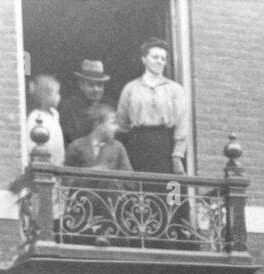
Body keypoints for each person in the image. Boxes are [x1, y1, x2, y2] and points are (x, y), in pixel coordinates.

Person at [116, 38, 189, 175]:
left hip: (165, 147)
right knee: (139, 191)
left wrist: (177, 155)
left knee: (169, 192)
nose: (159, 61)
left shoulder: (175, 90)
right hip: (137, 146)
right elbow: (121, 124)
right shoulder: (131, 89)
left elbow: (182, 126)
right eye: (155, 57)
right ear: (144, 59)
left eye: (163, 58)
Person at [64, 104, 132, 172]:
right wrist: (91, 172)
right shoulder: (76, 146)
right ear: (98, 124)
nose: (116, 128)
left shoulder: (118, 148)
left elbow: (129, 178)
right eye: (113, 123)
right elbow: (67, 178)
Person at [58, 59, 109, 147]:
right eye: (91, 85)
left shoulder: (108, 107)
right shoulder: (69, 108)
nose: (96, 89)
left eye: (99, 85)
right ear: (81, 85)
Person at [23, 74, 66, 165]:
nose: (59, 97)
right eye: (56, 93)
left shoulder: (54, 115)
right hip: (43, 160)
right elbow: (31, 145)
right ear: (45, 95)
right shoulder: (36, 117)